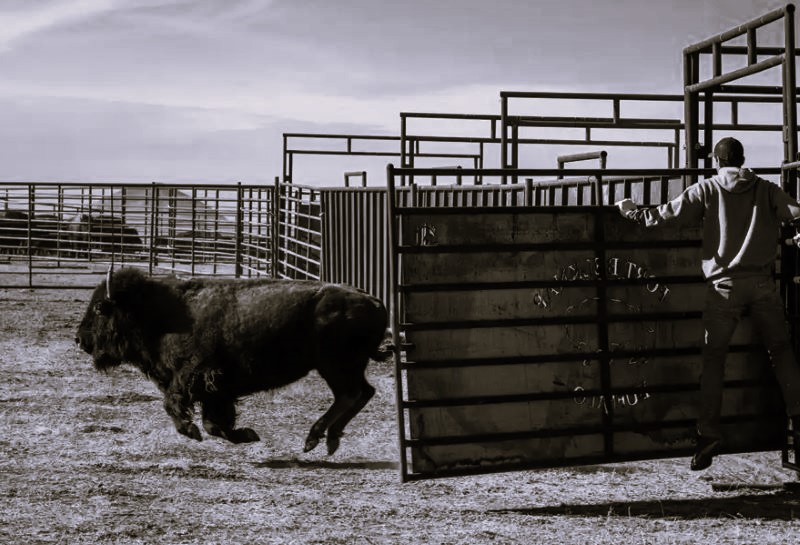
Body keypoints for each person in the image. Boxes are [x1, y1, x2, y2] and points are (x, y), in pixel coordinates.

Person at [616, 136, 800, 470]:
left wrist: (633, 212)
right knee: (781, 352)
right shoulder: (765, 188)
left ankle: (709, 433)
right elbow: (797, 214)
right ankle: (798, 421)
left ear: (716, 162)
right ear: (743, 159)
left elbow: (665, 215)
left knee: (714, 361)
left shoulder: (708, 189)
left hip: (722, 288)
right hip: (762, 284)